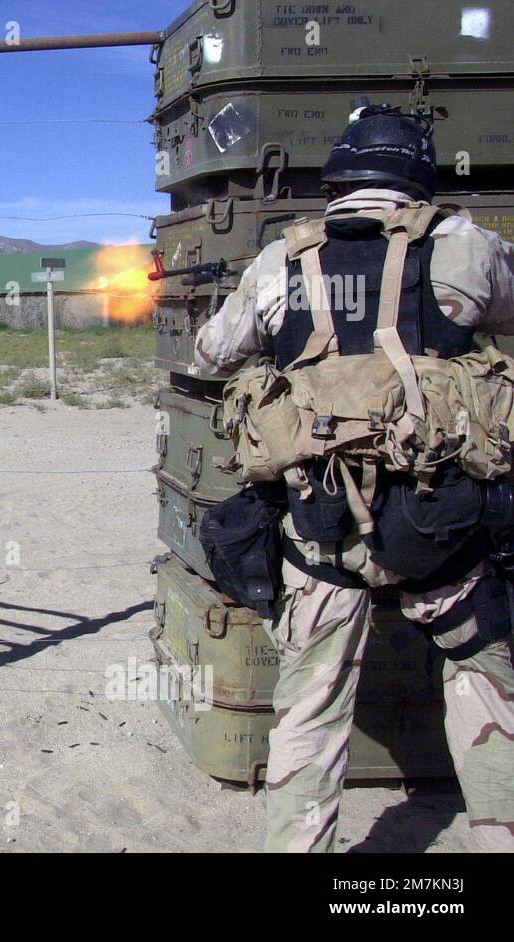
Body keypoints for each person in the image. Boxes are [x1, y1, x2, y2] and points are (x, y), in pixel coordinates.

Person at [194, 104, 514, 852]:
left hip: (321, 528)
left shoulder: (283, 261)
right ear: (415, 176)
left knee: (309, 709)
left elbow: (211, 355)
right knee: (486, 683)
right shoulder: (464, 248)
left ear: (339, 176)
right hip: (441, 528)